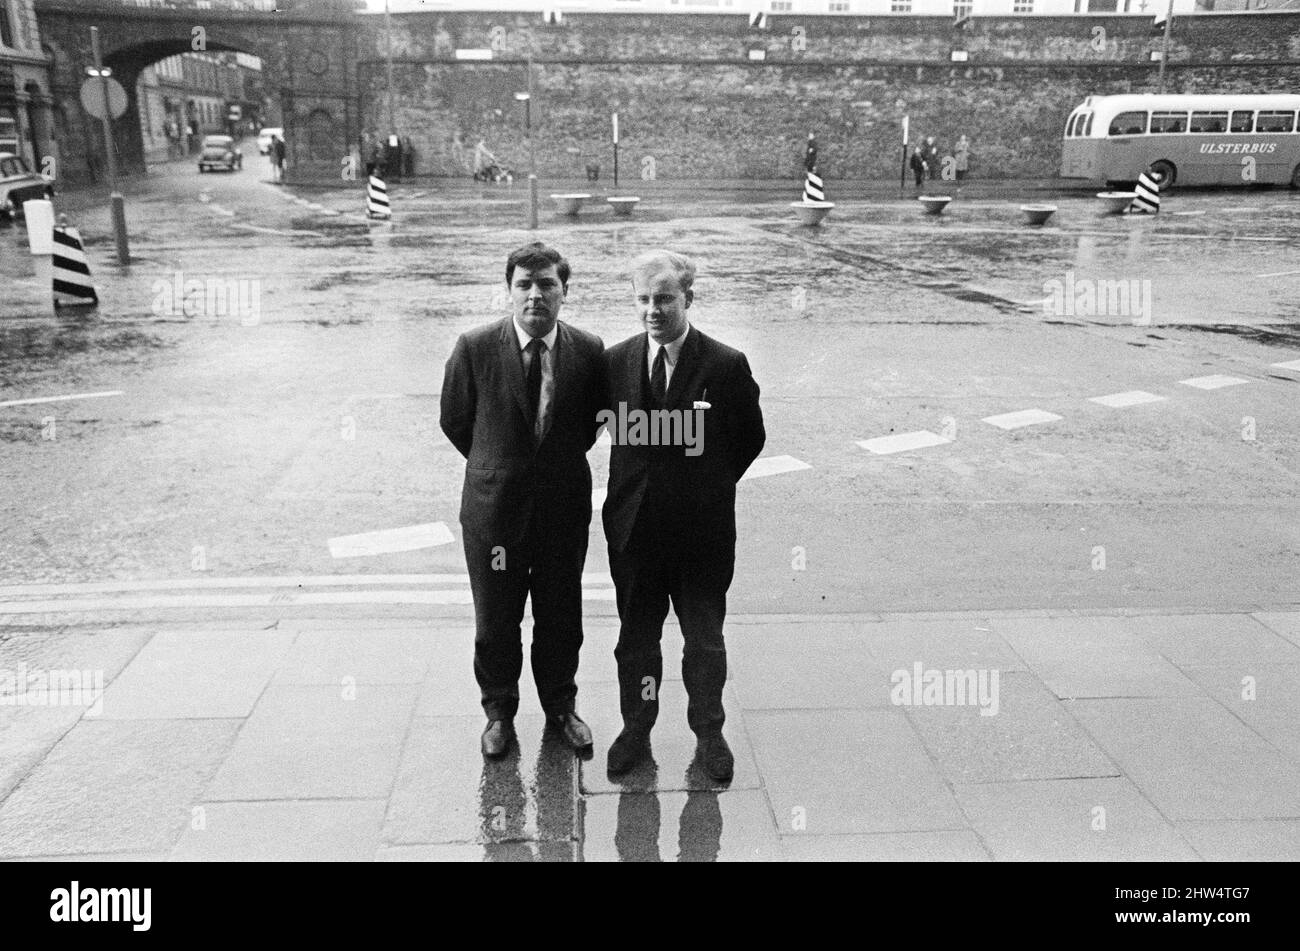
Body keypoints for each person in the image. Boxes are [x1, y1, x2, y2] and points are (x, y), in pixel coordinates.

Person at [601, 250, 766, 783]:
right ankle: (636, 729)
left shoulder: (724, 364)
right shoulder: (615, 362)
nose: (654, 310)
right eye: (644, 299)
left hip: (702, 537)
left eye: (665, 299)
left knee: (704, 641)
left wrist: (706, 488)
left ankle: (709, 733)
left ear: (688, 299)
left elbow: (748, 439)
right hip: (634, 534)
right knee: (637, 641)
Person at [439, 242, 607, 759]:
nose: (536, 295)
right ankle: (498, 713)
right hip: (494, 514)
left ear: (564, 292)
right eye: (524, 285)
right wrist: (500, 464)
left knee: (561, 615)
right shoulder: (474, 347)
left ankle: (561, 707)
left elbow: (591, 425)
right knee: (496, 619)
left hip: (561, 511)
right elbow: (455, 420)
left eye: (547, 285)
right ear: (509, 290)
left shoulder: (589, 349)